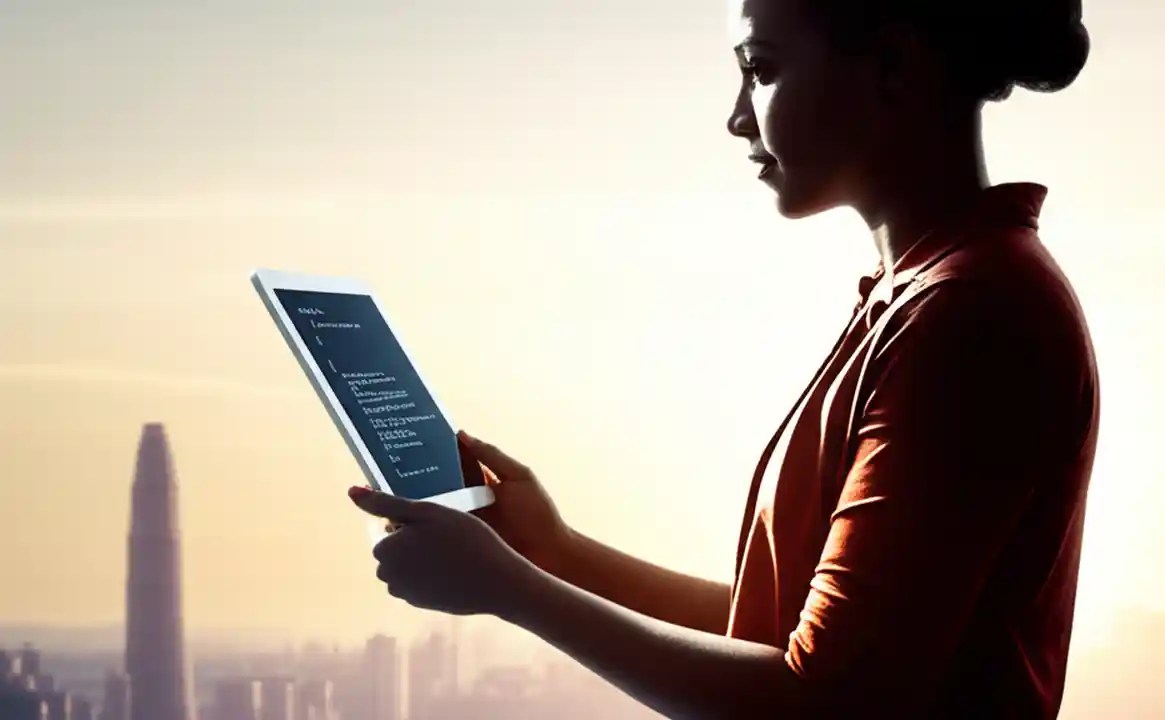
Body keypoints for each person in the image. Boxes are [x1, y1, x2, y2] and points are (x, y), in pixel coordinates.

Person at [347, 0, 1100, 716]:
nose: (738, 116)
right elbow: (788, 633)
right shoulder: (926, 296)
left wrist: (515, 590)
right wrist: (552, 552)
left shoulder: (970, 314)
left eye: (762, 69)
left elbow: (826, 702)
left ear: (894, 65)